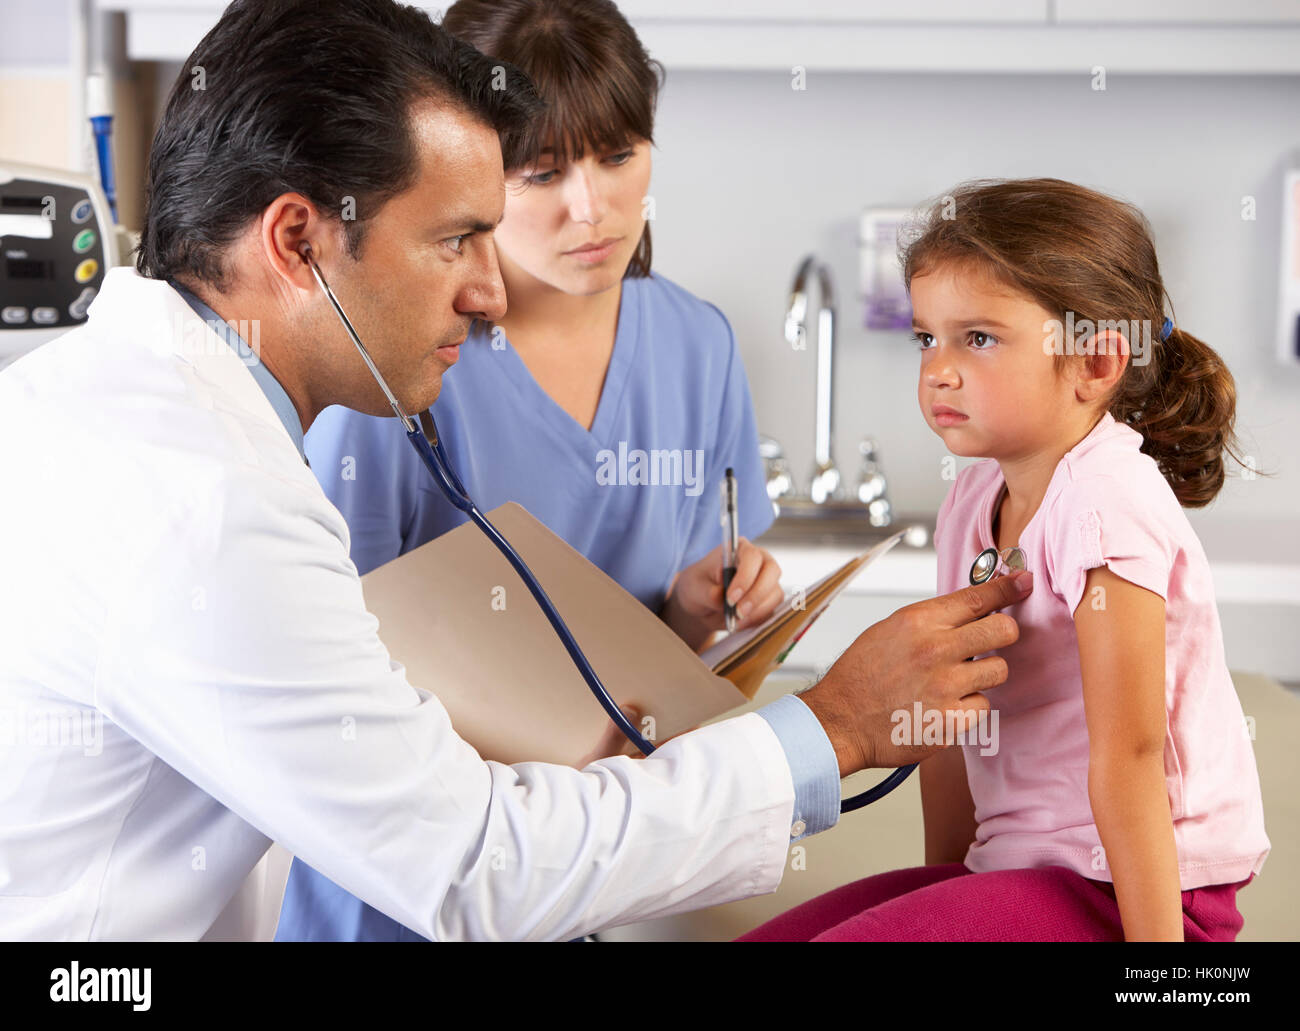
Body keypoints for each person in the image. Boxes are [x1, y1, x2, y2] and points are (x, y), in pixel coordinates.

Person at [0, 0, 1029, 941]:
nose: (493, 293)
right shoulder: (207, 504)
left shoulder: (124, 413)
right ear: (299, 241)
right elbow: (470, 865)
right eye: (456, 239)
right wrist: (836, 726)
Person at [278, 0, 783, 941]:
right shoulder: (393, 358)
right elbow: (336, 654)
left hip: (587, 873)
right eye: (540, 172)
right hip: (408, 875)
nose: (588, 208)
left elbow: (660, 661)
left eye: (618, 156)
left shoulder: (697, 345)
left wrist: (696, 611)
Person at [740, 178, 1270, 942]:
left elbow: (1132, 751)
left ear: (1095, 364)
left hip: (1137, 896)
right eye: (927, 337)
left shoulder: (1105, 501)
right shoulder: (972, 500)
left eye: (978, 338)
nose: (939, 369)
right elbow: (953, 720)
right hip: (1021, 873)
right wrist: (938, 892)